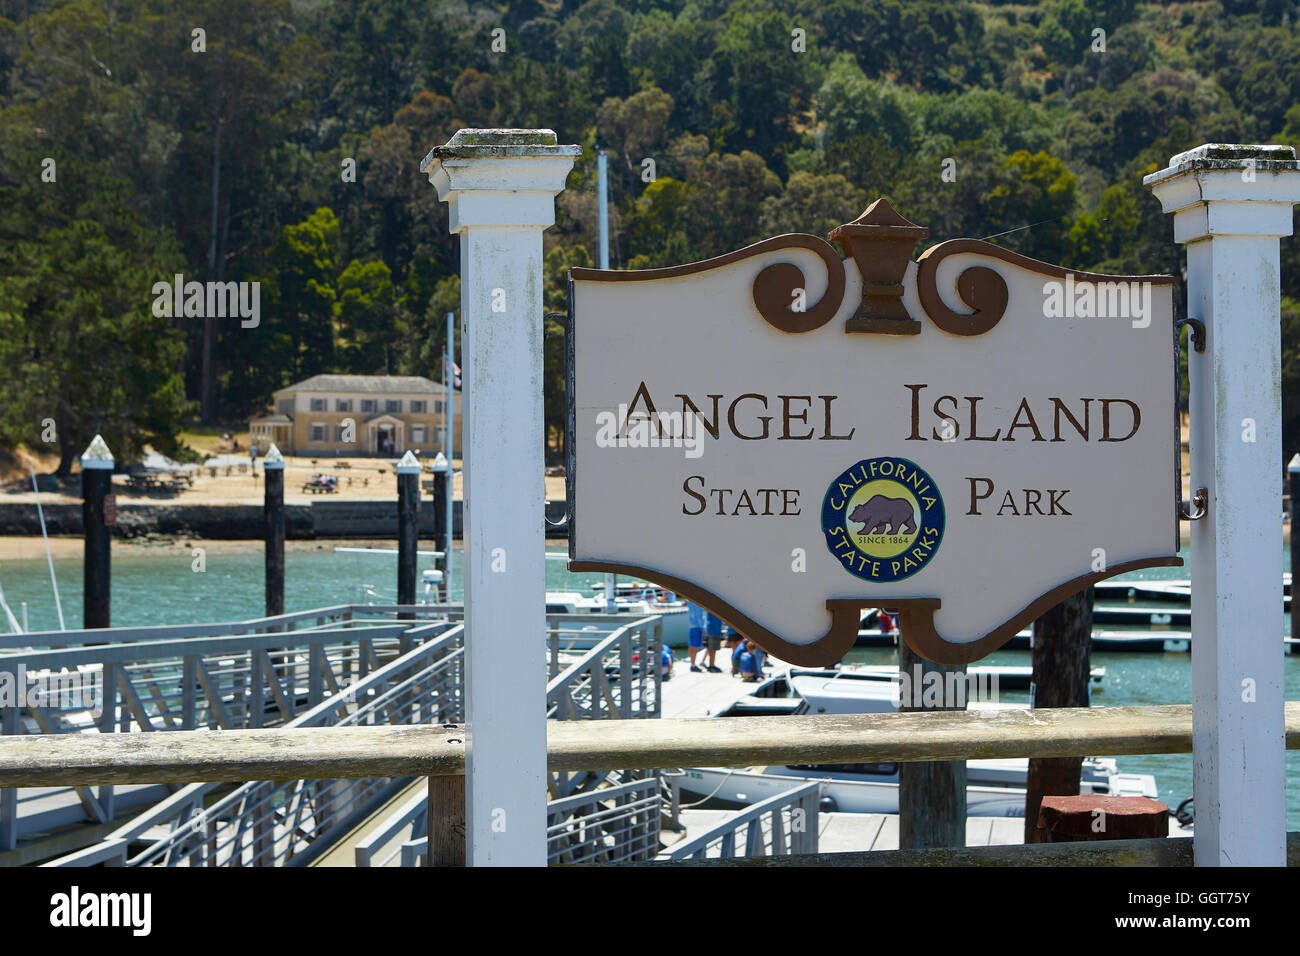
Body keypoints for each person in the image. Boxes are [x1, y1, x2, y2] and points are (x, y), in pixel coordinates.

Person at [686, 601, 706, 672]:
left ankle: (692, 664)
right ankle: (693, 665)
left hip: (691, 626)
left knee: (691, 646)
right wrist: (703, 629)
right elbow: (699, 616)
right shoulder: (697, 603)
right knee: (695, 647)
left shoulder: (689, 601)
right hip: (697, 627)